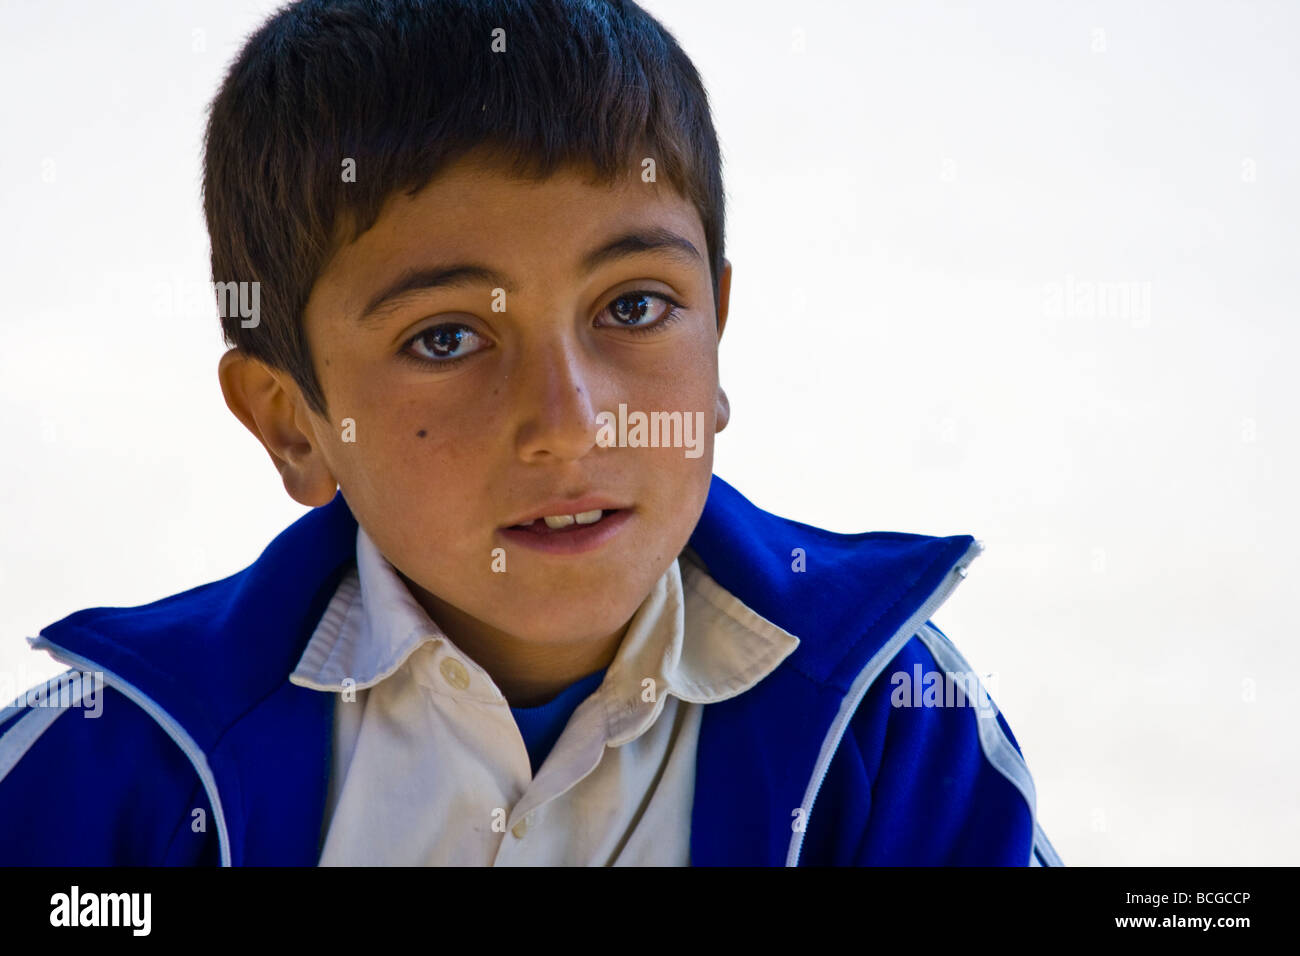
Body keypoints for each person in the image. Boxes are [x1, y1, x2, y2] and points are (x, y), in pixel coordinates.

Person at [0, 0, 1061, 866]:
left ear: (719, 335)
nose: (570, 422)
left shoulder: (890, 724)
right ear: (293, 422)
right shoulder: (108, 765)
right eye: (448, 336)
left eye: (634, 307)